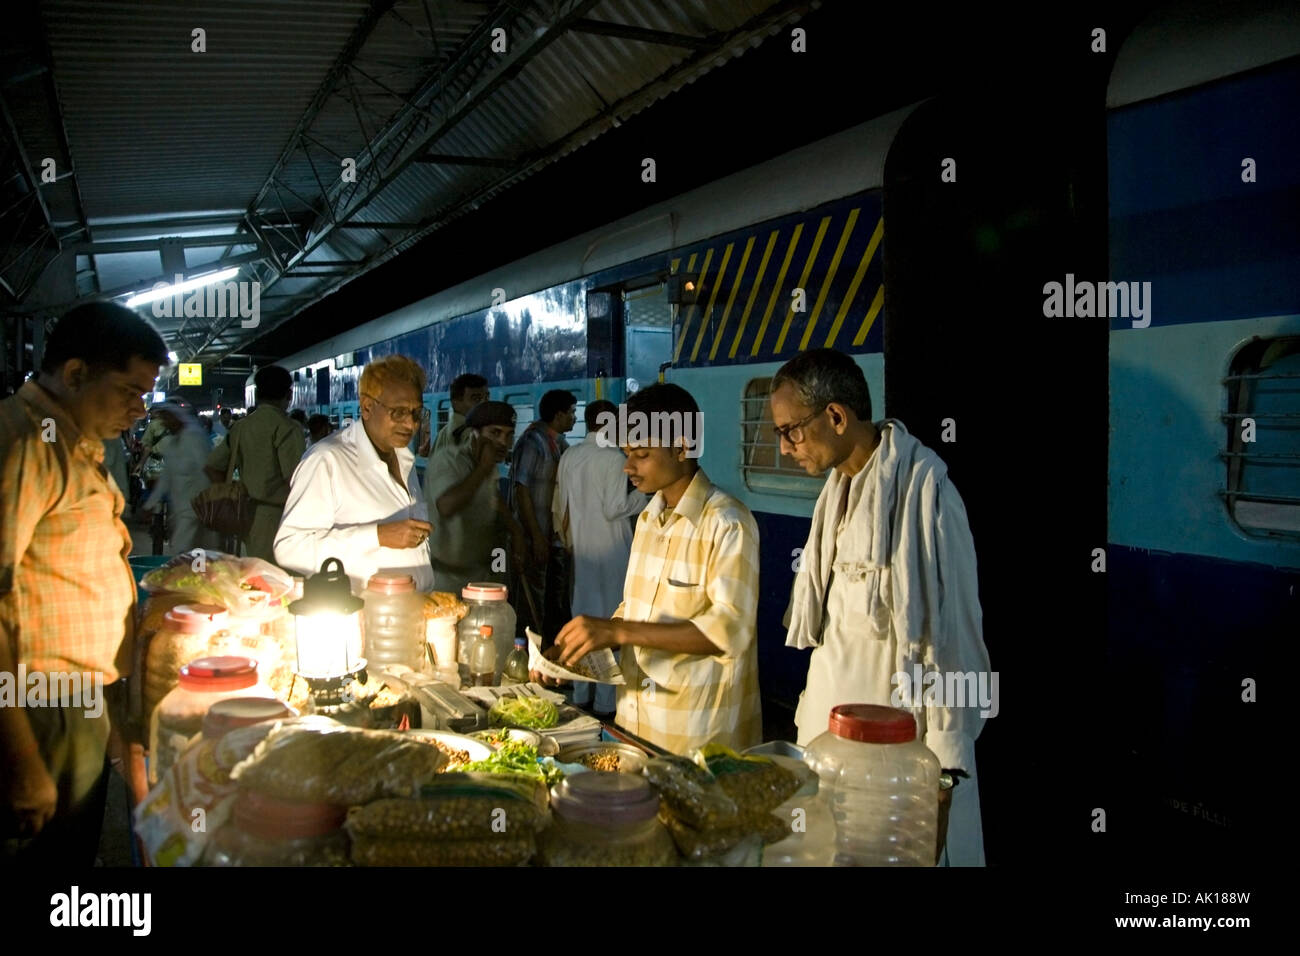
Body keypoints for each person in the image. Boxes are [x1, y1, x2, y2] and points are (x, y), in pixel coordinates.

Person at [770, 348, 991, 866]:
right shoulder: (836, 493)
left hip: (899, 763)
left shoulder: (927, 496)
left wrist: (945, 774)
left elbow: (955, 639)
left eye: (791, 431)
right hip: (832, 746)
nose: (784, 448)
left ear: (837, 416)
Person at [0, 302, 168, 865]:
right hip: (39, 707)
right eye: (129, 390)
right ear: (75, 374)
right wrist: (21, 759)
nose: (139, 408)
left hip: (76, 703)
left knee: (73, 851)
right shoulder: (28, 445)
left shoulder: (71, 443)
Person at [545, 383, 762, 753]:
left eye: (641, 454)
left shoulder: (727, 523)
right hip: (636, 726)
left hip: (697, 737)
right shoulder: (649, 516)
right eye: (627, 453)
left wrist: (618, 633)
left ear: (681, 447)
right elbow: (635, 611)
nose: (628, 466)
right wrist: (580, 647)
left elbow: (728, 633)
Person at [275, 355, 434, 593]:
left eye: (416, 413)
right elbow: (290, 548)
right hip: (360, 616)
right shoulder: (327, 460)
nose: (411, 424)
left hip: (412, 612)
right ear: (367, 407)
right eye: (398, 412)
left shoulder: (403, 459)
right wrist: (377, 536)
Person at [551, 399, 649, 715]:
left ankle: (581, 694)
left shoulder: (571, 454)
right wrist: (647, 495)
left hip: (582, 553)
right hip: (613, 554)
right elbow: (615, 508)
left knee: (582, 621)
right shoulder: (612, 458)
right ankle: (606, 703)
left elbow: (560, 508)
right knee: (608, 624)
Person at [424, 400, 526, 595]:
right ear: (474, 434)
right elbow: (446, 506)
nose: (503, 442)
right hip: (448, 581)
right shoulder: (448, 460)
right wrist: (482, 470)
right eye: (495, 433)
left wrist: (516, 530)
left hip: (482, 576)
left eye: (508, 435)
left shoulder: (488, 466)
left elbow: (493, 499)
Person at [205, 366, 305, 563]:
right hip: (281, 515)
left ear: (258, 394)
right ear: (289, 394)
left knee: (257, 570)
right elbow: (295, 478)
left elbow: (212, 467)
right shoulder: (288, 428)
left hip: (247, 514)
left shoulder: (240, 427)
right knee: (281, 578)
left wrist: (230, 492)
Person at [509, 389, 577, 639]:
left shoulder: (557, 442)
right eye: (571, 413)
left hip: (548, 535)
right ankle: (527, 654)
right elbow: (521, 488)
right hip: (531, 535)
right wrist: (536, 536)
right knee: (531, 601)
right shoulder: (532, 442)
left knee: (549, 600)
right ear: (558, 415)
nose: (574, 418)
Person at [140, 402, 212, 554]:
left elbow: (206, 471)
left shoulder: (194, 437)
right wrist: (149, 504)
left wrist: (204, 505)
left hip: (195, 507)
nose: (166, 424)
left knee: (185, 552)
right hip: (181, 508)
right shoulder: (174, 442)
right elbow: (167, 477)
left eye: (168, 419)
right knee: (188, 553)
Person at [426, 373, 490, 458]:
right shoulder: (471, 435)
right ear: (456, 403)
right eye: (476, 399)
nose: (484, 403)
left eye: (487, 397)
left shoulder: (443, 433)